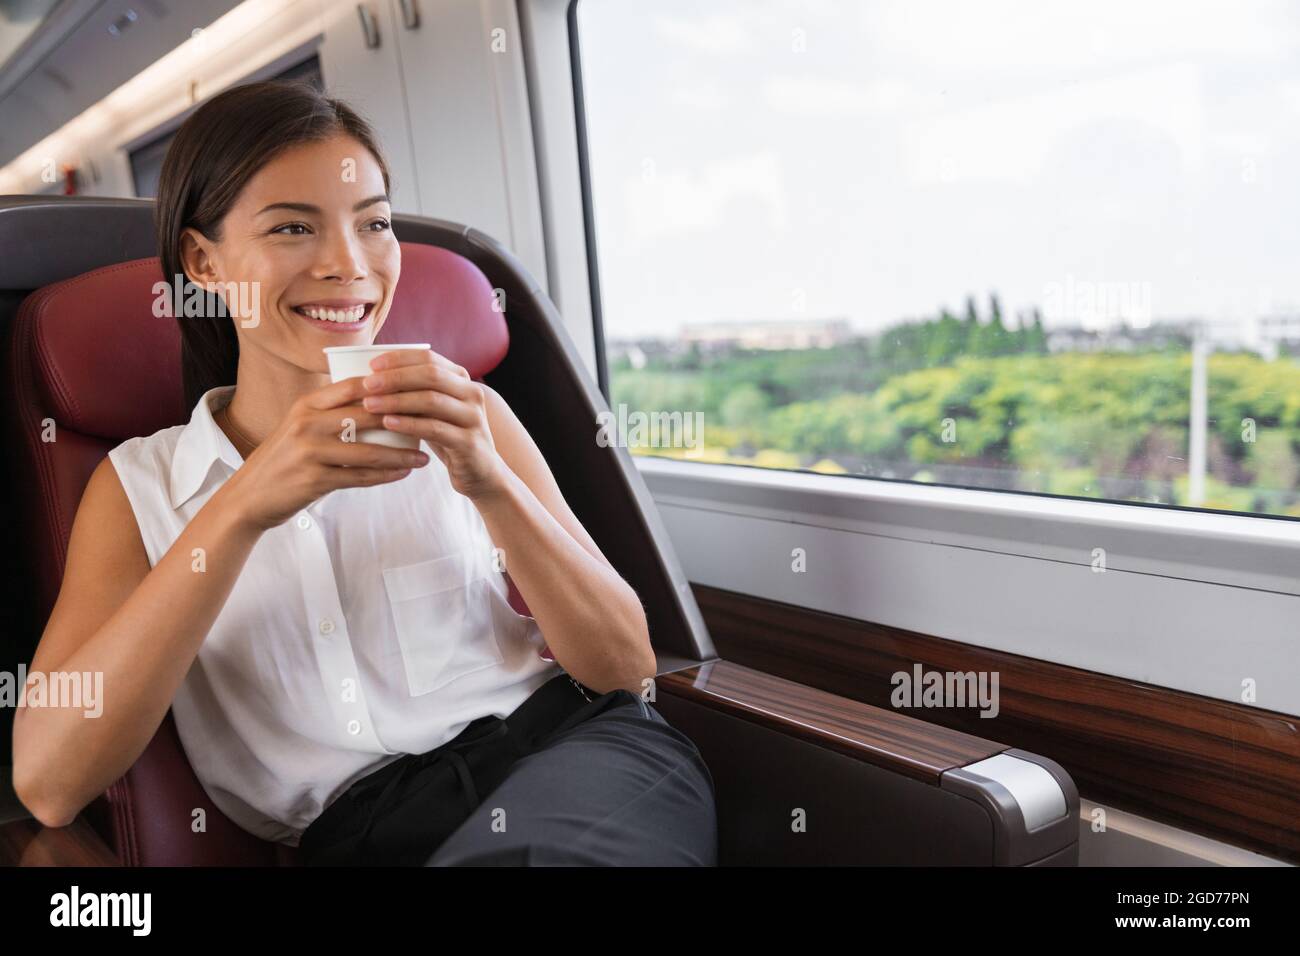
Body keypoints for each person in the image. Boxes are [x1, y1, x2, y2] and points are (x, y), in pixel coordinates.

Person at [11, 80, 717, 866]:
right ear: (203, 261)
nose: (349, 265)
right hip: (363, 837)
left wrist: (489, 482)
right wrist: (244, 506)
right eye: (291, 228)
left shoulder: (470, 413)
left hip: (573, 758)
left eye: (374, 223)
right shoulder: (139, 483)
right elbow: (48, 784)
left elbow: (626, 669)